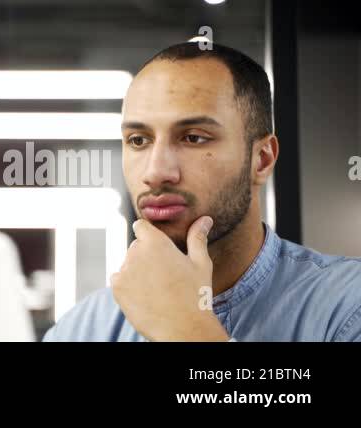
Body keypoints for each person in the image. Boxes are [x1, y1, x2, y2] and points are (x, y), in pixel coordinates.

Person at [43, 42, 361, 342]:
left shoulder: (348, 308)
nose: (155, 173)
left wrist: (187, 329)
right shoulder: (82, 329)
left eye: (193, 138)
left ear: (261, 160)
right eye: (138, 140)